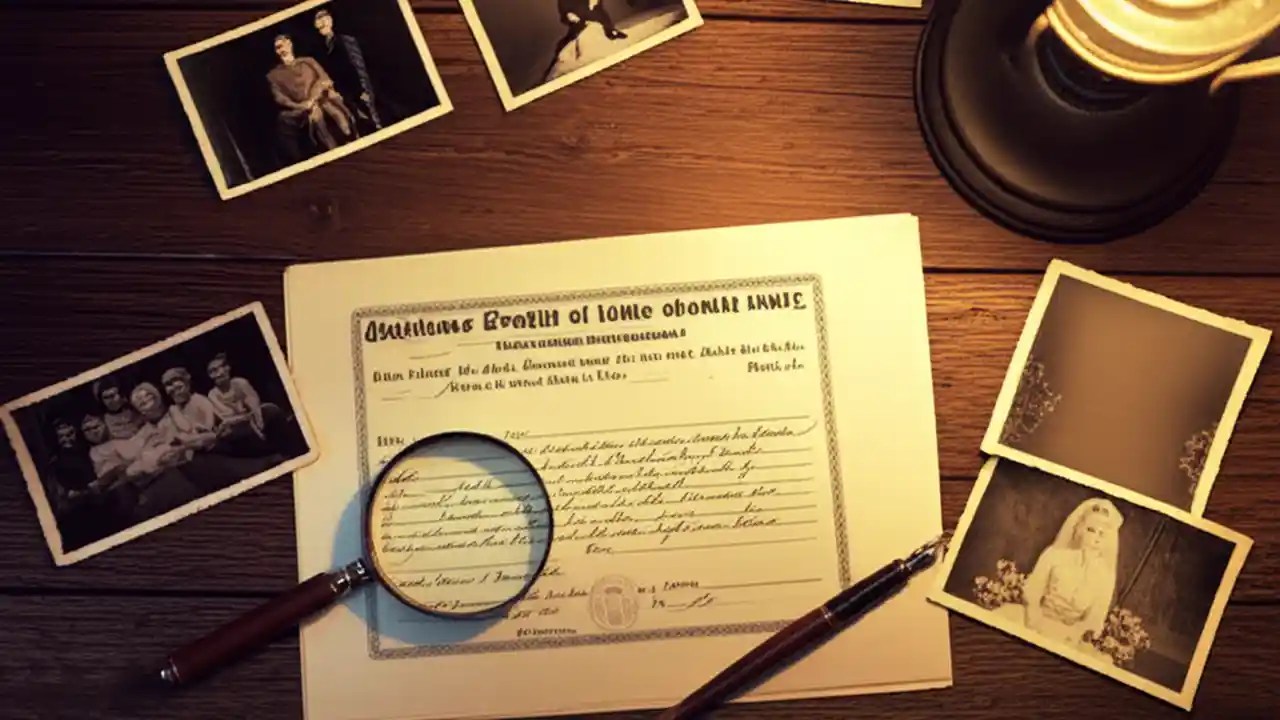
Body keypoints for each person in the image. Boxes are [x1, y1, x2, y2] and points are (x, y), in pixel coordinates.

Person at [997, 498, 1124, 662]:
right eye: (1091, 530)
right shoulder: (1054, 555)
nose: (1096, 538)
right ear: (1079, 529)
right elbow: (1033, 592)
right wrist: (1034, 620)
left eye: (1102, 534)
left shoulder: (1104, 576)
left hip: (1070, 635)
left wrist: (1073, 634)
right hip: (1035, 619)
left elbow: (1094, 618)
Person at [267, 33, 355, 164]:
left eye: (283, 45)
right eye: (278, 48)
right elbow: (280, 98)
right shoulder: (273, 76)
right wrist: (302, 106)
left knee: (333, 110)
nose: (282, 49)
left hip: (322, 99)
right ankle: (333, 152)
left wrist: (313, 98)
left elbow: (325, 79)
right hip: (299, 110)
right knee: (316, 117)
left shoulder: (308, 61)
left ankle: (351, 138)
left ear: (290, 44)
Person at [313, 9, 381, 133]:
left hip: (359, 91)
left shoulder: (345, 40)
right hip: (345, 93)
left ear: (330, 22)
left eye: (324, 21)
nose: (321, 26)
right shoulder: (324, 48)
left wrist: (364, 91)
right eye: (319, 24)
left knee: (373, 122)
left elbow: (359, 67)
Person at [544, 0, 629, 81]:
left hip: (596, 18)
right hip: (579, 23)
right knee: (565, 50)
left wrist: (594, 4)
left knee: (602, 30)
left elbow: (598, 9)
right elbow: (565, 9)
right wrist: (568, 14)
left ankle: (610, 32)